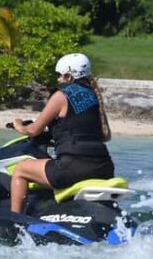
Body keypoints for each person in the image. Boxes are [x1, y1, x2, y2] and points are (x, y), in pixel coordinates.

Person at [9, 53, 114, 214]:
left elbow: (33, 130)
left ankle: (15, 220)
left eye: (60, 75)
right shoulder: (93, 95)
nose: (58, 79)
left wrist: (19, 125)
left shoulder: (61, 96)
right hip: (104, 167)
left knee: (20, 170)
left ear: (68, 76)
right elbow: (103, 135)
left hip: (73, 167)